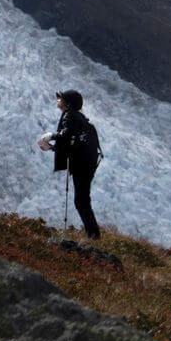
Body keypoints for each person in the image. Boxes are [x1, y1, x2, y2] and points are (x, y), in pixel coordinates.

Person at [37, 89, 101, 238]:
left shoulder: (69, 116)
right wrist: (53, 147)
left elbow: (66, 137)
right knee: (82, 200)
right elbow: (72, 142)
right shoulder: (80, 118)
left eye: (61, 99)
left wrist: (50, 136)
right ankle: (93, 234)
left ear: (68, 104)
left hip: (81, 166)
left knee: (81, 201)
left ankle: (94, 235)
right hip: (88, 163)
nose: (58, 101)